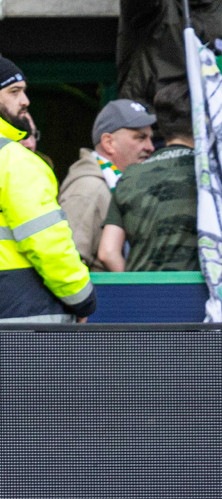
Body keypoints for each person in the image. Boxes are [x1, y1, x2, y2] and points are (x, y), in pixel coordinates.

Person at [0, 56, 97, 324]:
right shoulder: (14, 162)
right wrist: (81, 298)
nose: (25, 101)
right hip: (22, 318)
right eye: (14, 92)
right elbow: (47, 242)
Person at [97, 82, 199, 273]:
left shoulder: (130, 176)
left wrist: (134, 287)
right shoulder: (208, 175)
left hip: (142, 294)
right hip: (195, 293)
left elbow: (108, 252)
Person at [58, 99, 156, 272]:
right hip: (103, 298)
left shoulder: (118, 184)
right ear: (109, 142)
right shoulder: (88, 189)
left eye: (150, 138)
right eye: (140, 138)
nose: (150, 147)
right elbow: (67, 267)